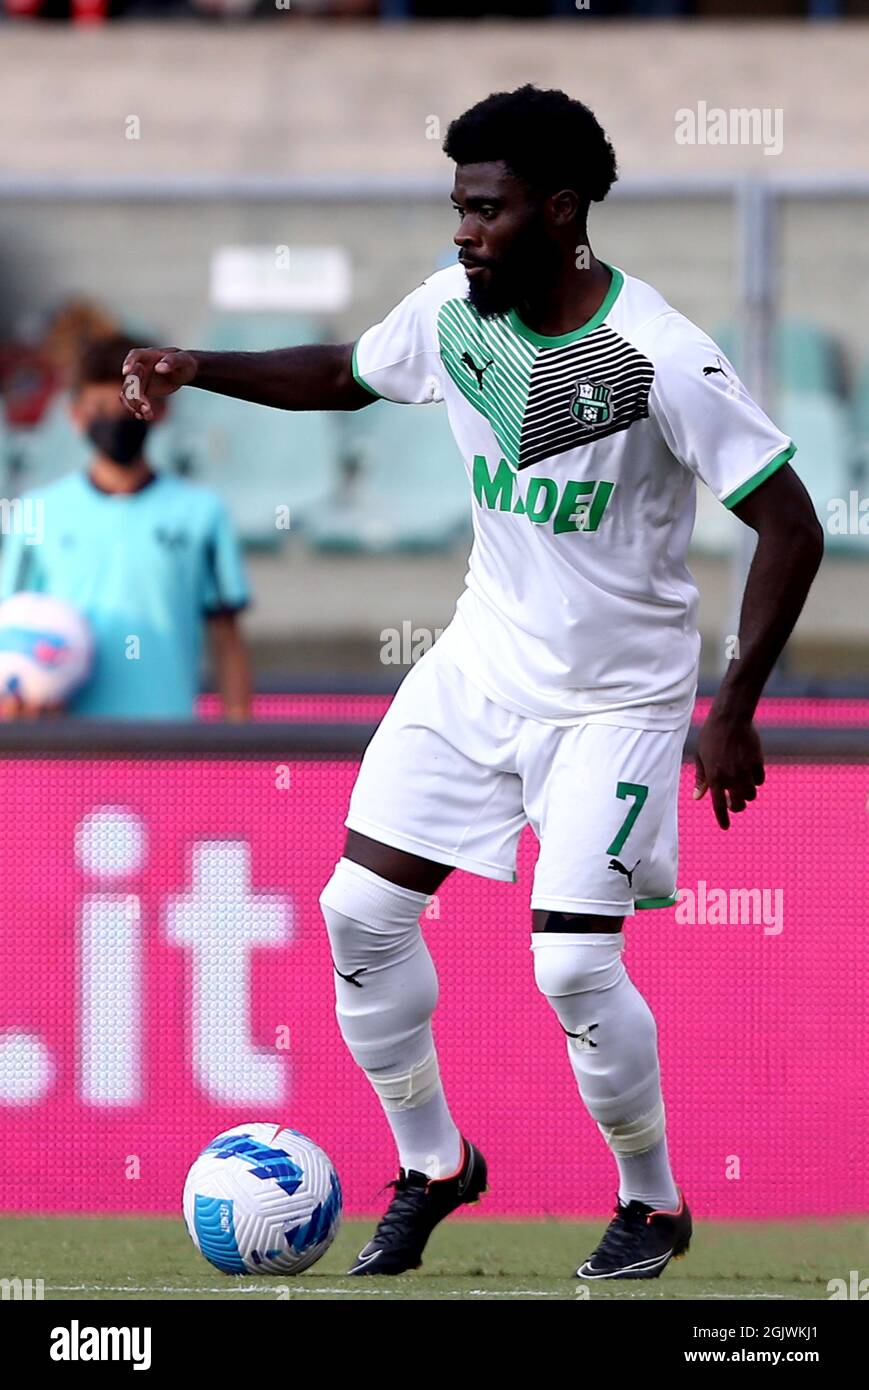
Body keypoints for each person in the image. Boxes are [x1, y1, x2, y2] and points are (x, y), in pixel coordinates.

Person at [120, 84, 823, 1279]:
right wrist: (197, 365)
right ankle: (434, 1163)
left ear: (559, 212)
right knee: (357, 913)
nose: (462, 232)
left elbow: (791, 526)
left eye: (485, 210)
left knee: (569, 965)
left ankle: (650, 1202)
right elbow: (344, 374)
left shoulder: (657, 356)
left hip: (617, 702)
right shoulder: (456, 313)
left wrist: (732, 705)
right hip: (476, 666)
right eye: (456, 207)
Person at [1, 333, 252, 720]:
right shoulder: (36, 511)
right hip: (63, 753)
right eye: (99, 406)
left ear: (157, 409)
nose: (114, 419)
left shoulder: (202, 513)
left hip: (168, 747)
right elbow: (11, 623)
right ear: (75, 415)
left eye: (125, 403)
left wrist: (241, 743)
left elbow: (227, 639)